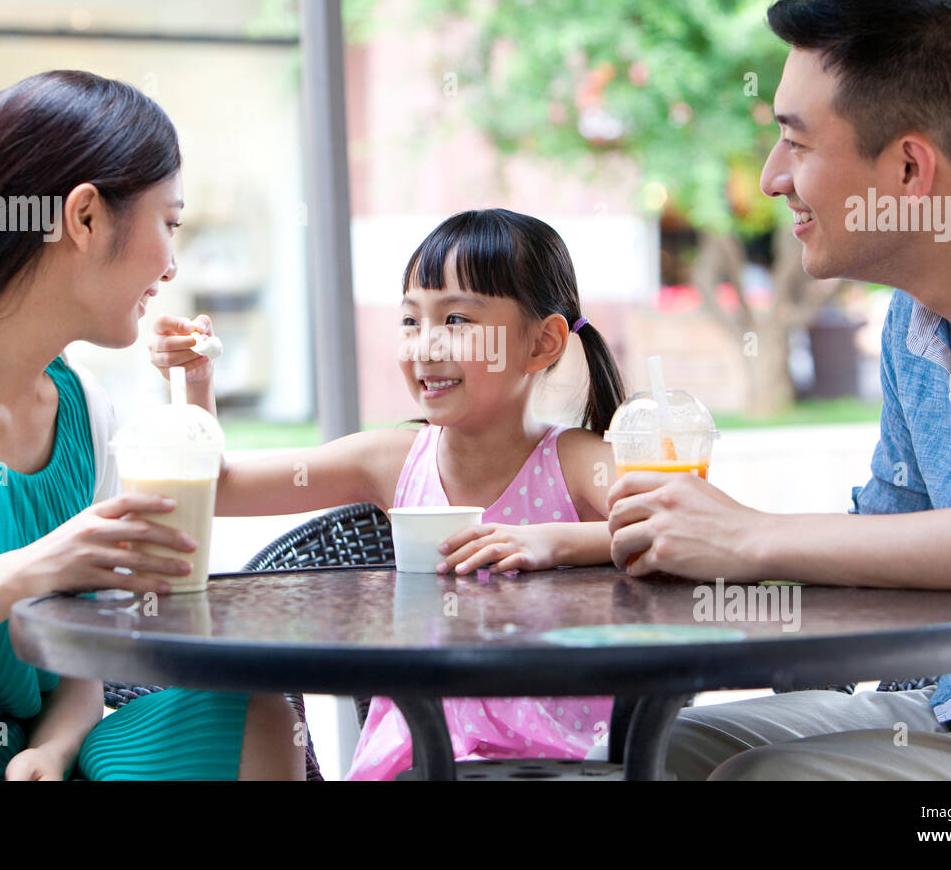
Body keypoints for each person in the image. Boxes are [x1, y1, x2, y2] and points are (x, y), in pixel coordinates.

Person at [607, 0, 951, 779]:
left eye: (794, 142)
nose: (771, 179)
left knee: (773, 781)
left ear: (909, 169)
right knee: (663, 749)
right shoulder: (919, 313)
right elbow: (885, 544)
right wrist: (627, 539)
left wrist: (753, 537)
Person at [0, 70, 303, 780]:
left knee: (256, 716)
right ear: (86, 218)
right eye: (169, 222)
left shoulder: (86, 412)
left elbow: (81, 669)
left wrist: (54, 749)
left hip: (38, 769)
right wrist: (22, 575)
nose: (170, 262)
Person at [152, 208, 625, 779]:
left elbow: (678, 523)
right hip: (412, 757)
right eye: (409, 321)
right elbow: (218, 489)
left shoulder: (574, 463)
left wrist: (550, 542)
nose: (424, 345)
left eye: (455, 319)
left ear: (542, 342)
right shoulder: (392, 459)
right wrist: (197, 383)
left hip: (554, 760)